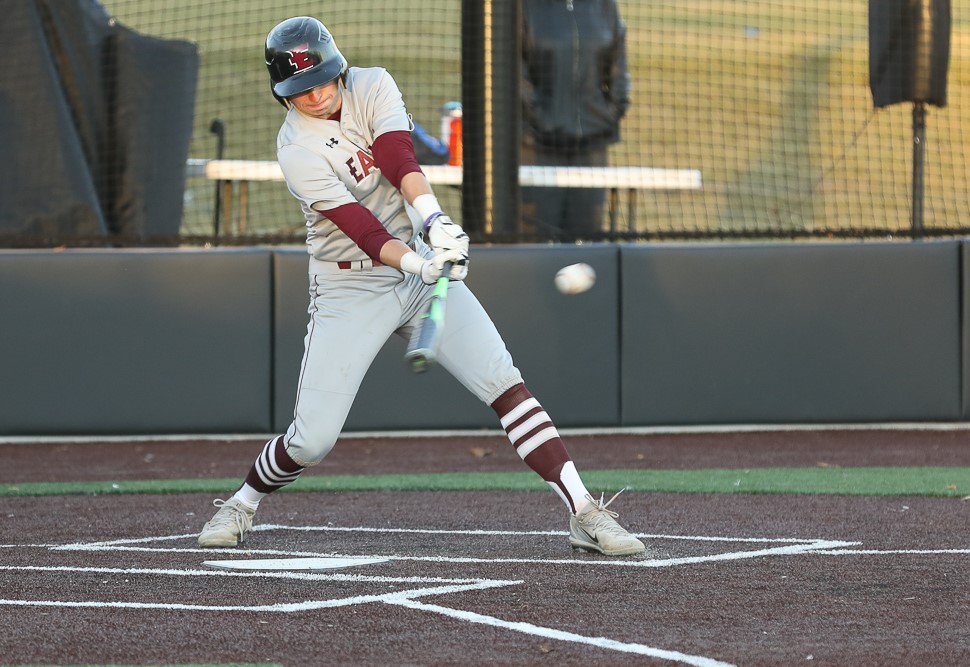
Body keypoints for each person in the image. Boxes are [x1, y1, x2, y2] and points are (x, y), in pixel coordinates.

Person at [197, 16, 645, 557]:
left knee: (505, 383)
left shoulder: (373, 83)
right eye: (300, 90)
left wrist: (433, 224)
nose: (315, 95)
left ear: (338, 69)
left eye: (322, 81)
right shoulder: (295, 148)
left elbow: (397, 157)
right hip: (350, 289)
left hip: (419, 261)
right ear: (282, 94)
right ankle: (243, 502)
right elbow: (362, 230)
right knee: (311, 440)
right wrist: (419, 262)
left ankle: (585, 512)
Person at [520, 0, 631, 241]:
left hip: (592, 147)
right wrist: (541, 120)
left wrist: (609, 114)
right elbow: (517, 75)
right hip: (537, 148)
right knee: (536, 241)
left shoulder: (604, 6)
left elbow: (618, 65)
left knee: (587, 243)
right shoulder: (523, 6)